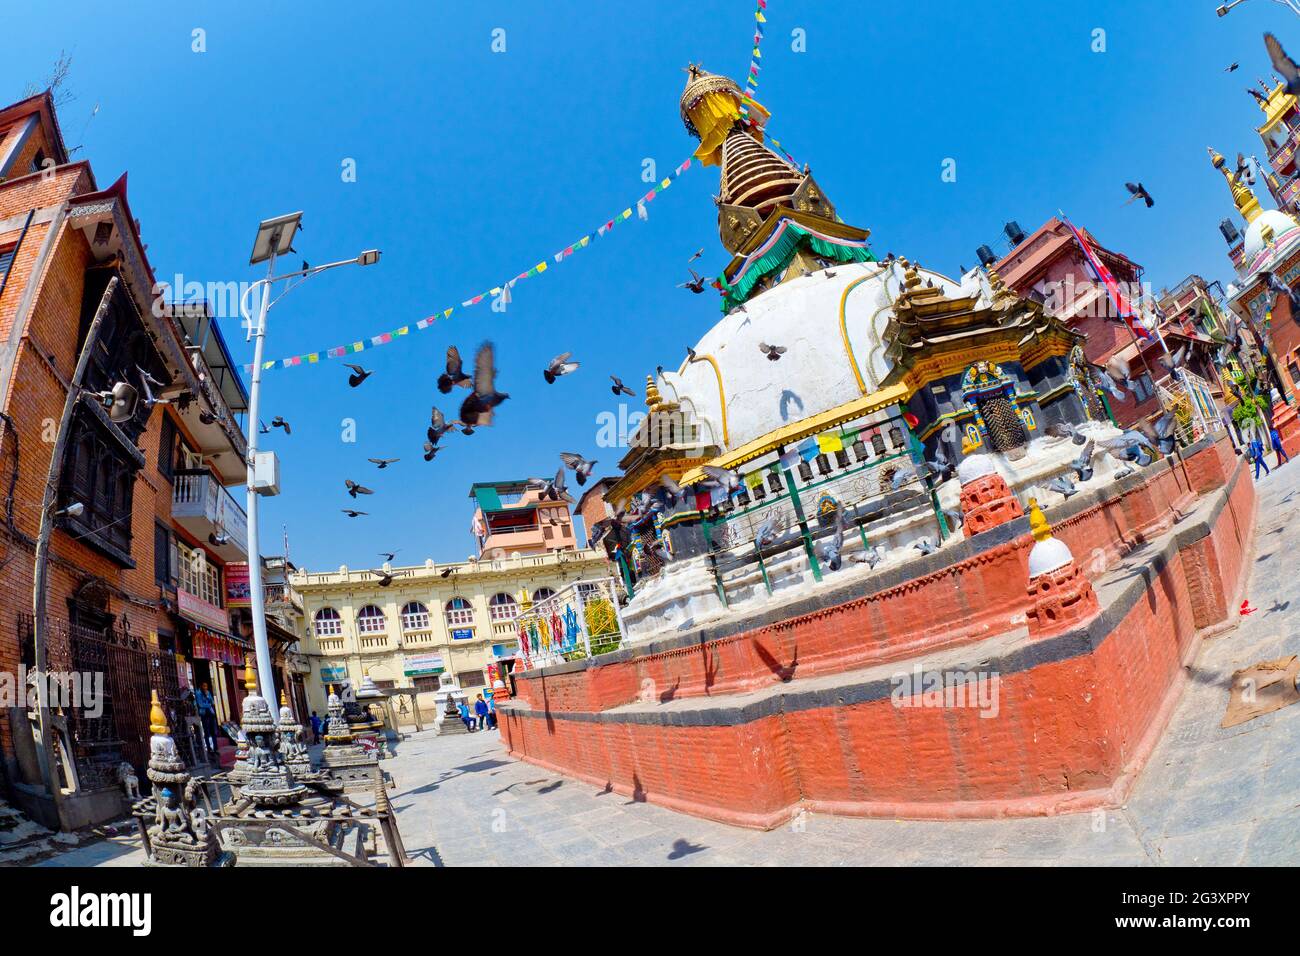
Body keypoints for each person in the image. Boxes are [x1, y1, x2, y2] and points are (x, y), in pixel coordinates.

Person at [195, 682, 218, 753]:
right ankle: (208, 748)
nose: (205, 688)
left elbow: (213, 702)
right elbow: (200, 704)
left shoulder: (208, 692)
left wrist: (208, 698)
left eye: (206, 686)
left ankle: (215, 748)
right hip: (204, 714)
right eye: (204, 686)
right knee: (207, 731)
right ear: (201, 686)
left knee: (213, 731)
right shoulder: (198, 693)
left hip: (211, 713)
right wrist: (208, 704)